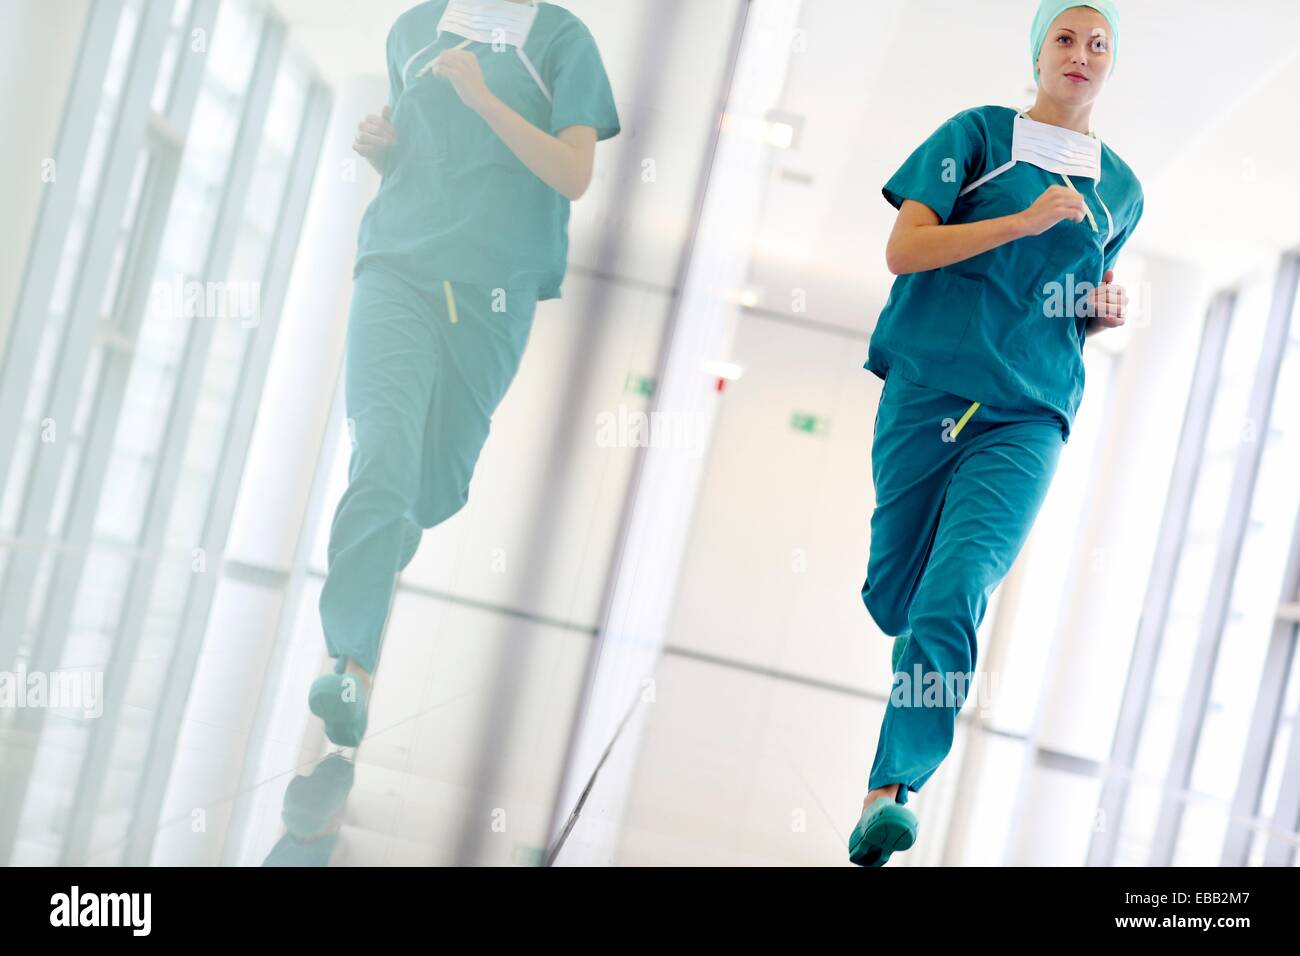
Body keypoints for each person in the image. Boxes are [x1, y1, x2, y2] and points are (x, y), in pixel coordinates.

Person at [848, 0, 1143, 866]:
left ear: (1110, 64)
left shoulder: (1120, 187)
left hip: (1029, 410)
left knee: (958, 586)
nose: (1081, 54)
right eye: (1065, 37)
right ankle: (911, 646)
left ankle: (890, 791)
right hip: (931, 386)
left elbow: (1078, 289)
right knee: (900, 593)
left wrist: (1097, 312)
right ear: (1038, 53)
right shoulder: (974, 134)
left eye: (1099, 44)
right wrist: (1022, 221)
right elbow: (905, 251)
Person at [310, 0, 620, 748]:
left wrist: (483, 99)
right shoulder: (412, 31)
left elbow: (573, 174)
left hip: (493, 289)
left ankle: (373, 597)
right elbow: (423, 156)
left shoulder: (562, 40)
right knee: (381, 452)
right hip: (398, 265)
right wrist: (386, 150)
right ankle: (350, 663)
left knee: (428, 486)